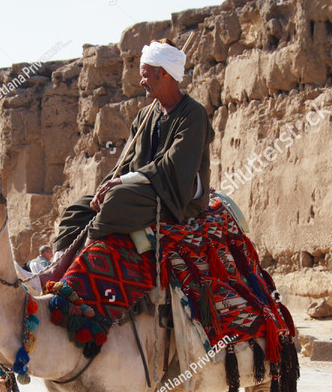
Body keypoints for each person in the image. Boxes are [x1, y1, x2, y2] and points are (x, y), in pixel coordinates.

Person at [52, 38, 215, 254]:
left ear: (165, 74)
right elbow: (126, 163)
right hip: (142, 192)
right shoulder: (143, 117)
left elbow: (174, 166)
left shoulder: (193, 114)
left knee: (117, 199)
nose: (141, 82)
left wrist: (122, 183)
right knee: (78, 210)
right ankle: (56, 261)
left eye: (146, 74)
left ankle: (76, 263)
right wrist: (106, 186)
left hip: (177, 198)